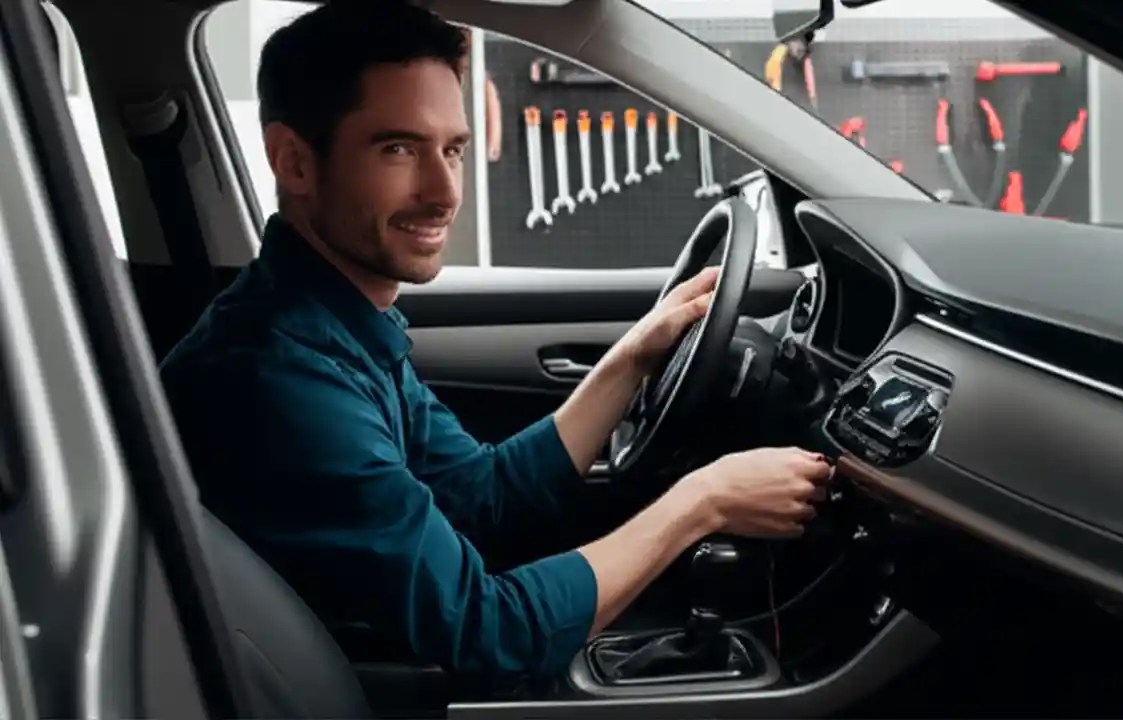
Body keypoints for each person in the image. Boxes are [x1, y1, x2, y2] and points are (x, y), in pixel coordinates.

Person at [159, 0, 832, 689]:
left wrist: (634, 358)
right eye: (399, 149)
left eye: (451, 148)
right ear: (294, 162)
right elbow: (491, 634)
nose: (444, 191)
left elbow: (481, 498)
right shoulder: (279, 377)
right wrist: (703, 504)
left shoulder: (333, 325)